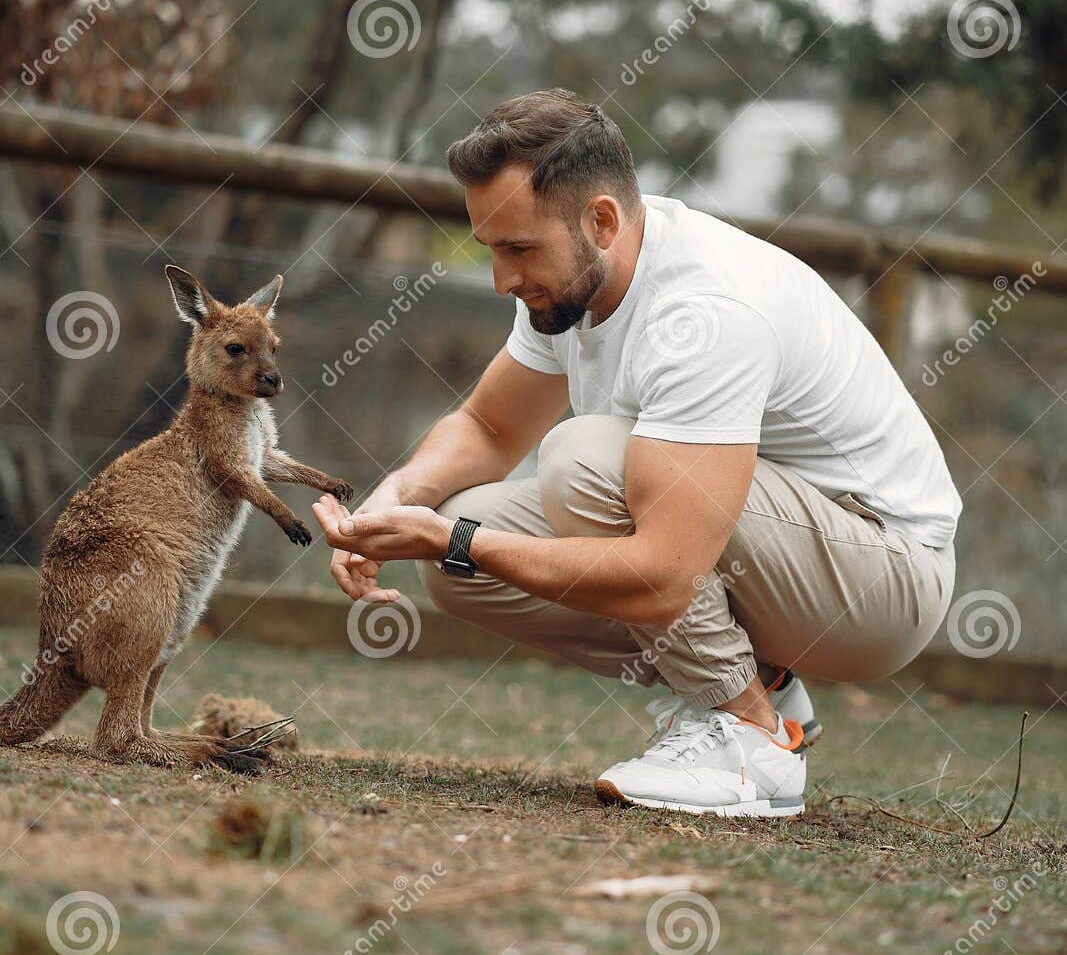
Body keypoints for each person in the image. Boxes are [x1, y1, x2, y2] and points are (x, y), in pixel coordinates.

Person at [313, 90, 960, 818]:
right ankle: (767, 689)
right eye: (491, 249)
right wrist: (397, 500)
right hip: (784, 559)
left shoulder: (704, 310)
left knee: (581, 464)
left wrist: (450, 537)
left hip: (884, 580)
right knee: (462, 560)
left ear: (601, 221)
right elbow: (490, 428)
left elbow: (663, 575)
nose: (502, 280)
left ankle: (750, 737)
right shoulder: (573, 284)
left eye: (518, 249)